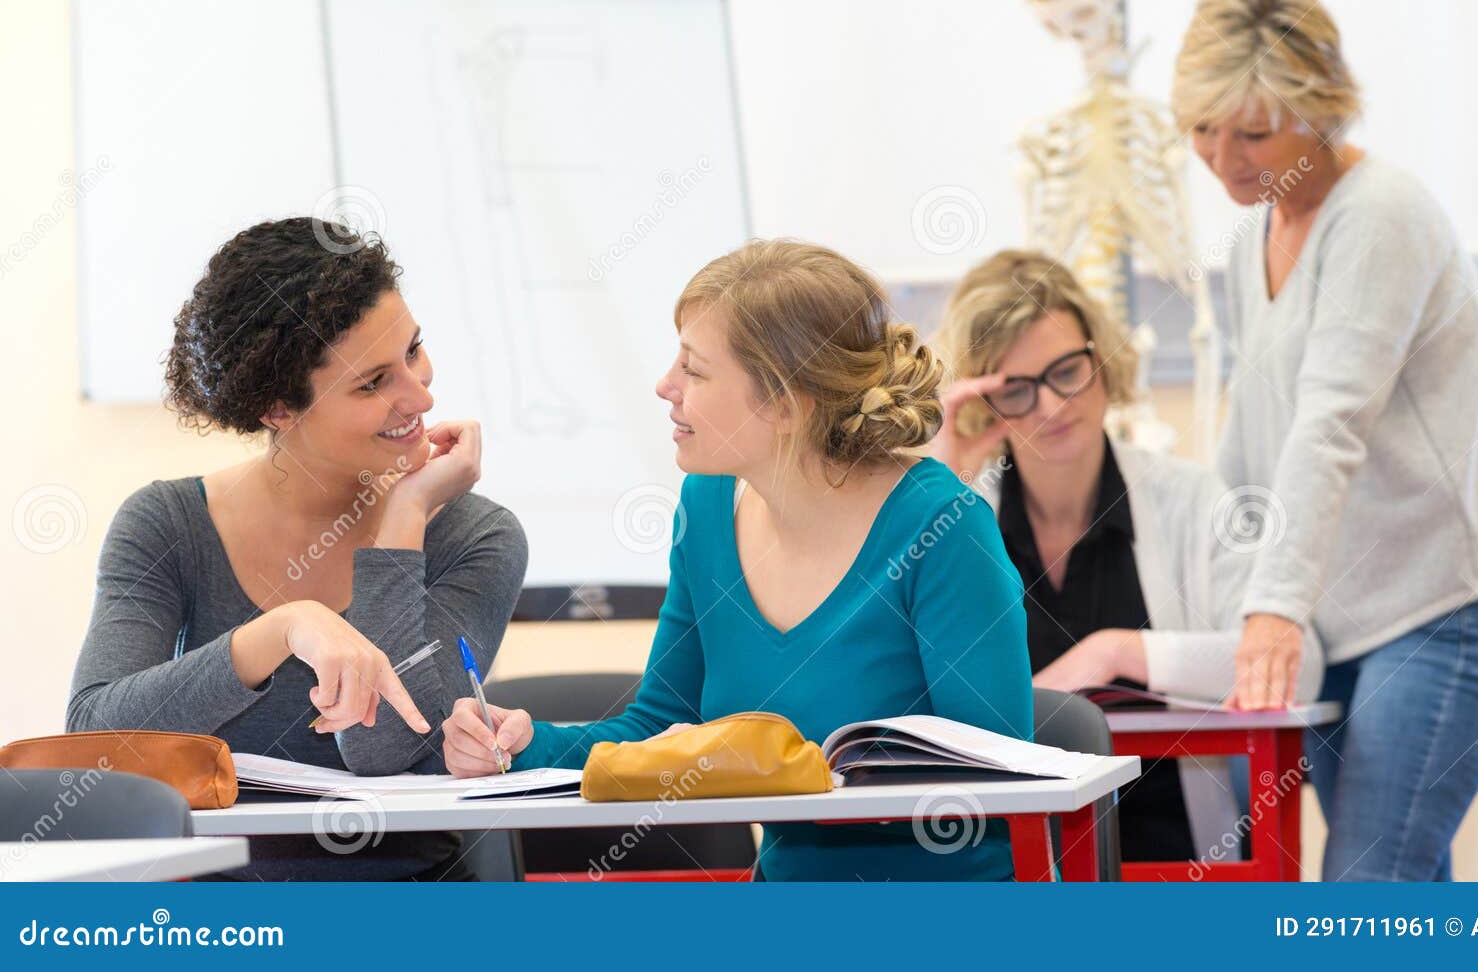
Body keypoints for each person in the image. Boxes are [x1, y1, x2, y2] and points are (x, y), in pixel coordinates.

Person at [442, 239, 1032, 881]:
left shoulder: (943, 528)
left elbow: (992, 781)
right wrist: (524, 745)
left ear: (784, 402)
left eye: (694, 370)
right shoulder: (706, 508)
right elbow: (662, 725)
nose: (665, 386)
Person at [1171, 0, 1478, 880]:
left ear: (1323, 110)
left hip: (1450, 606)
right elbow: (1249, 446)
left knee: (1369, 889)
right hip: (1341, 616)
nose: (1226, 160)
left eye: (1254, 133)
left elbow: (1325, 429)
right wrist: (1212, 588)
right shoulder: (1253, 235)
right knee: (1386, 892)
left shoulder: (1380, 218)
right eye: (1202, 131)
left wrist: (1271, 610)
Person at [68, 217, 527, 880]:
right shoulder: (166, 525)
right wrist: (283, 629)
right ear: (277, 409)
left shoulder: (475, 536)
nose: (421, 395)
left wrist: (405, 516)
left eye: (414, 351)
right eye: (373, 383)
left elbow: (383, 748)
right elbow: (91, 746)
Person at [932, 247, 1322, 863]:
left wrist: (1115, 652)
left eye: (1067, 371)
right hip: (1008, 868)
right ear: (985, 402)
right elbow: (899, 708)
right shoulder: (956, 518)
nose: (1052, 407)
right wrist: (940, 481)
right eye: (1017, 390)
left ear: (1104, 362)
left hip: (1181, 858)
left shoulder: (1188, 499)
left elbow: (1300, 665)